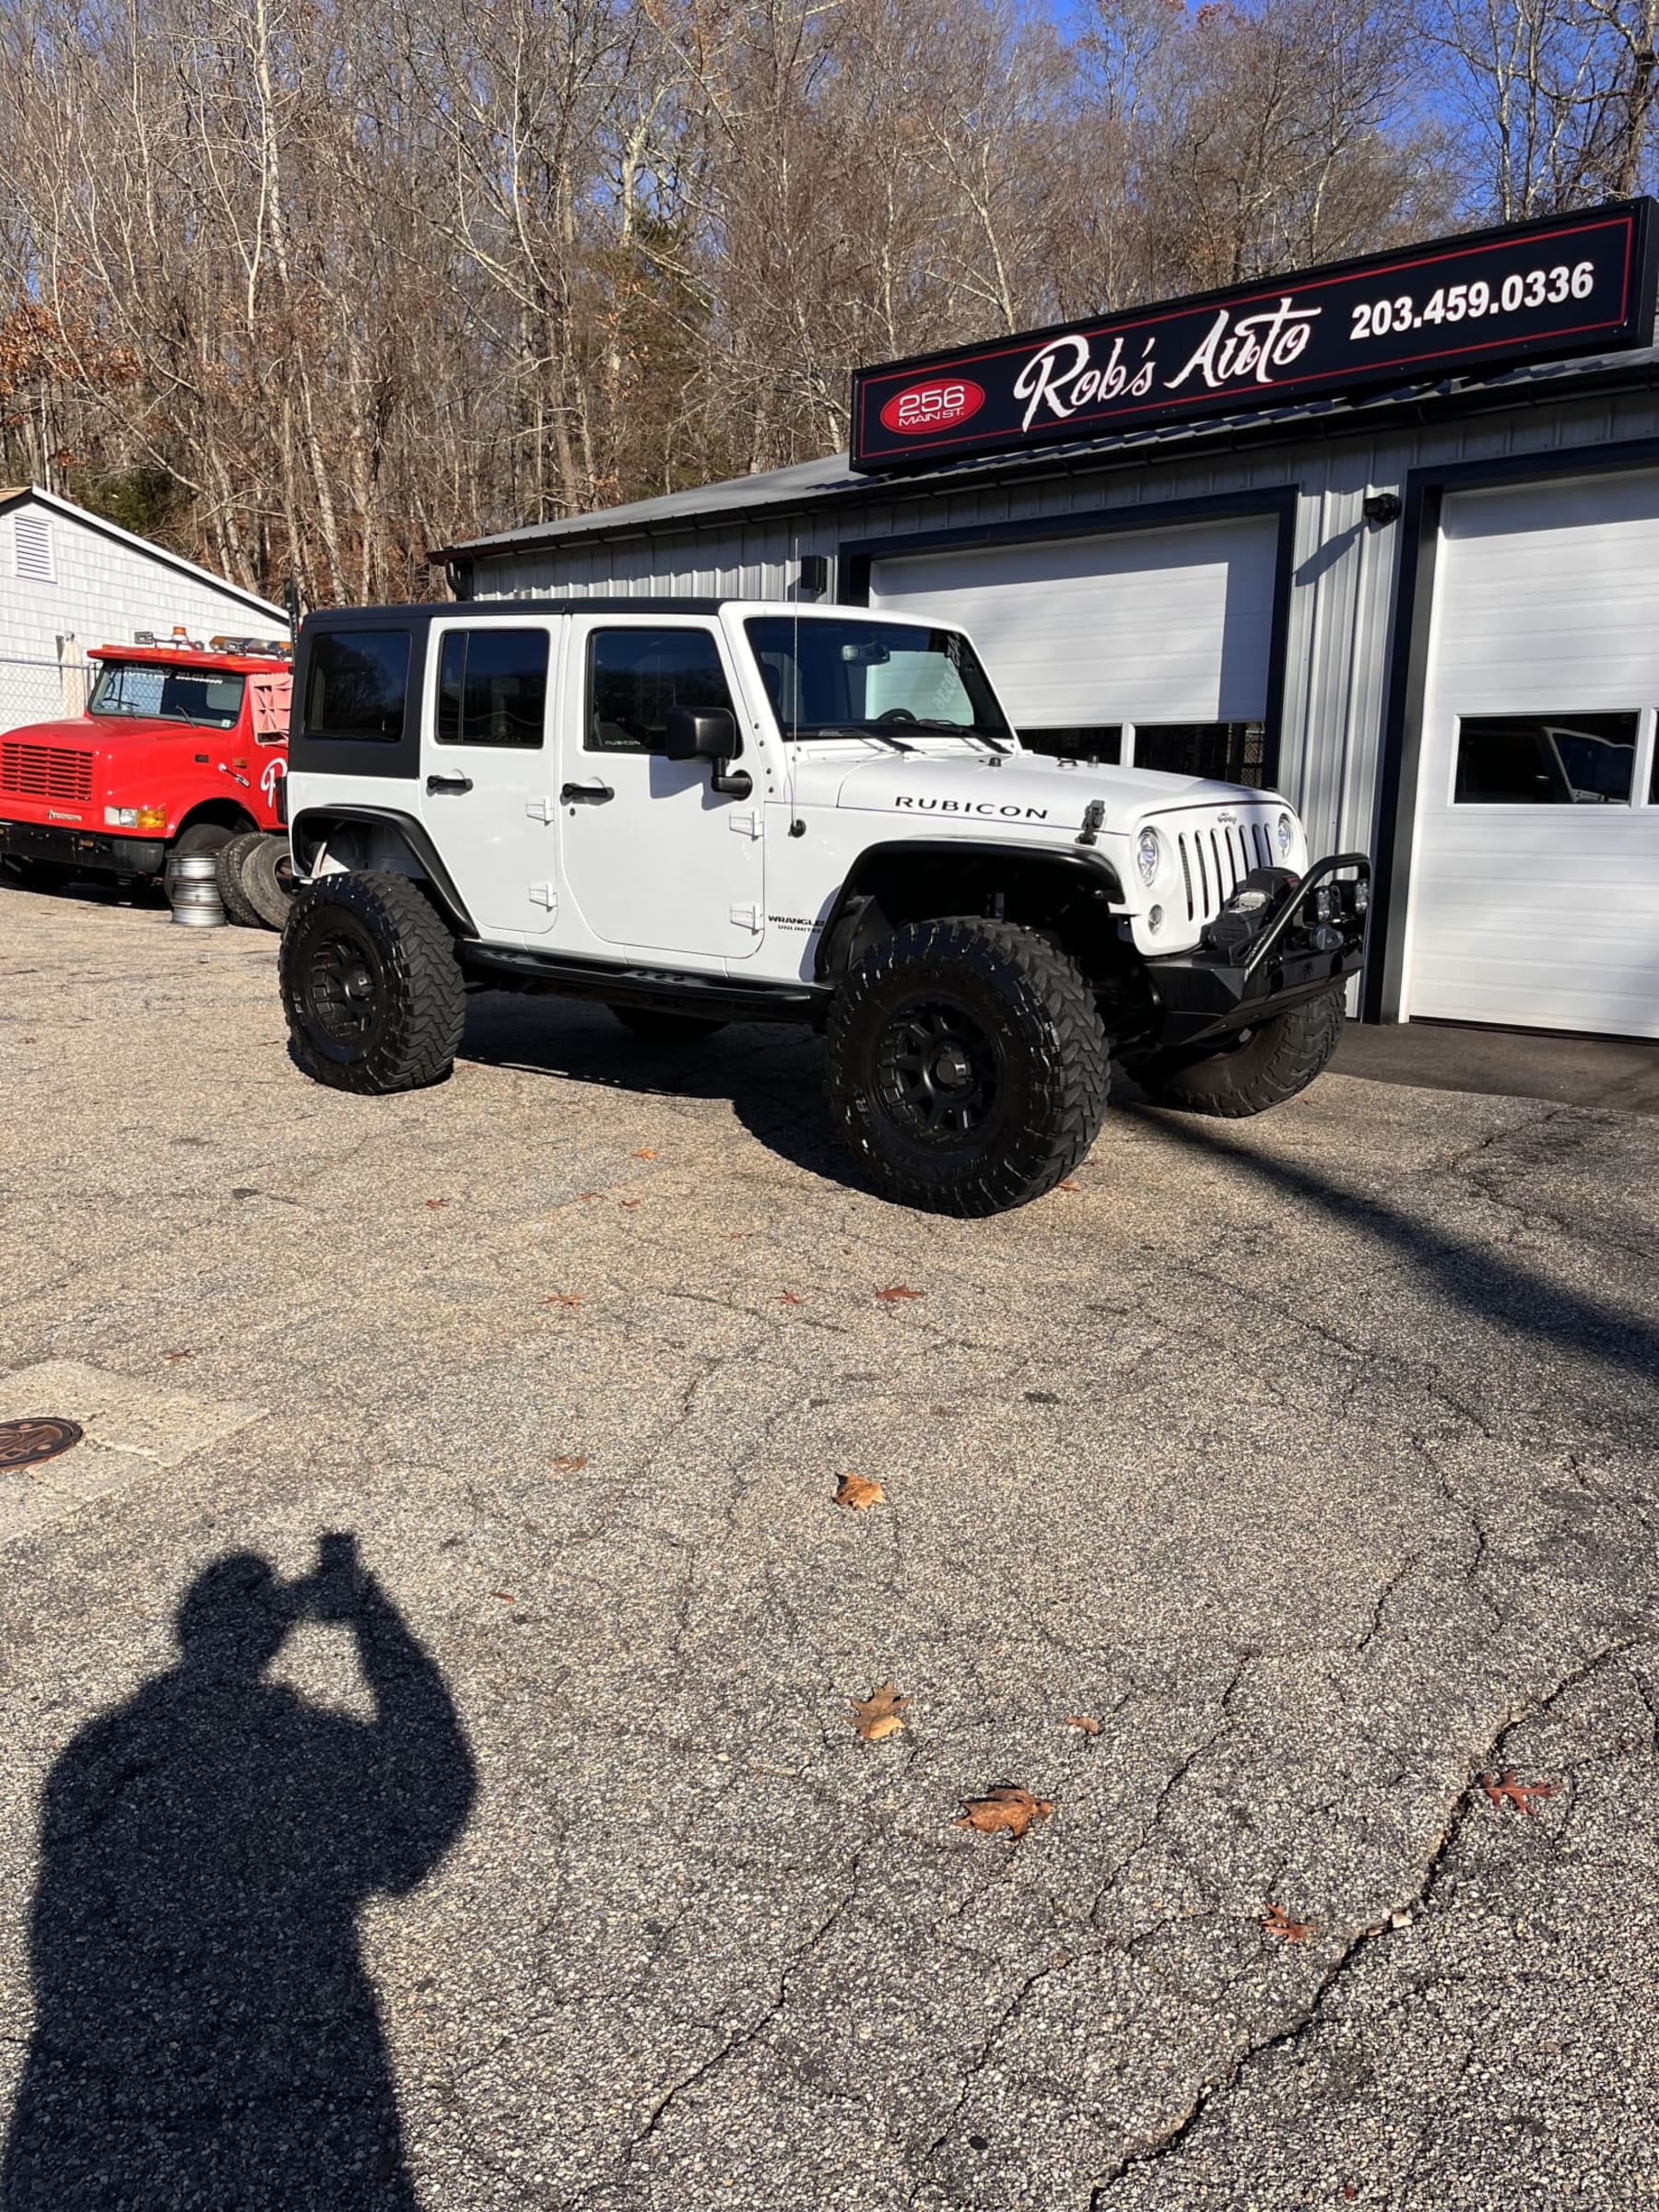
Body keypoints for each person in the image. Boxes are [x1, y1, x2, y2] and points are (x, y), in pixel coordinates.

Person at [2, 1536, 475, 2209]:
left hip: (94, 2062)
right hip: (307, 2038)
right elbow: (434, 1790)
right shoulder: (311, 1746)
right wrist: (373, 1617)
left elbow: (59, 1907)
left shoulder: (96, 1750)